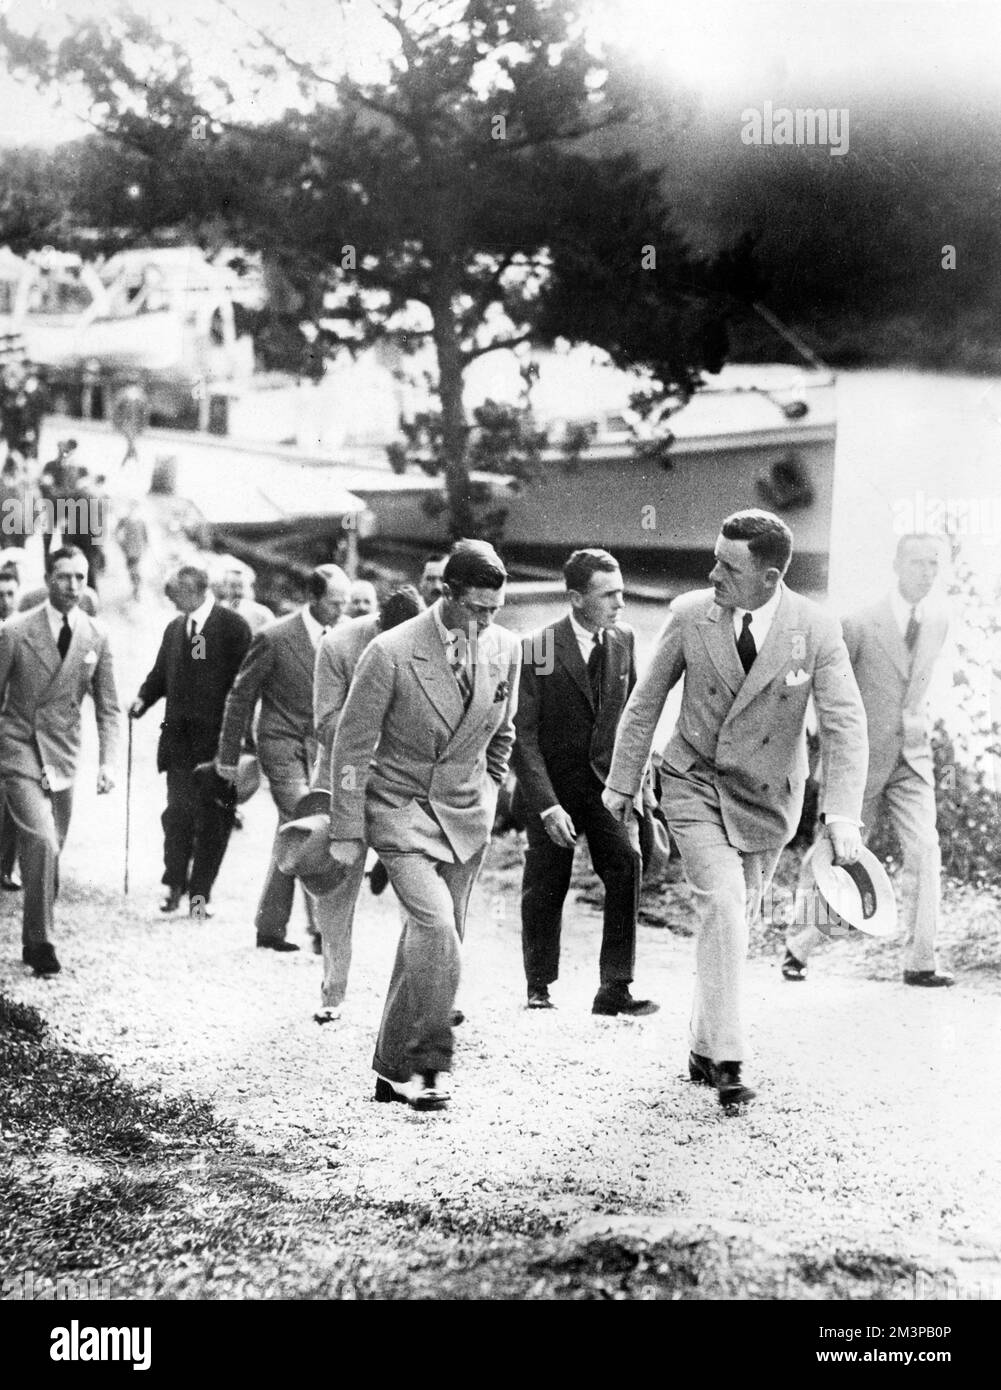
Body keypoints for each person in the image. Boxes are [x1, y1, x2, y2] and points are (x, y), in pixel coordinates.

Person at [602, 510, 868, 1107]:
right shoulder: (692, 614)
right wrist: (622, 781)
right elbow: (646, 701)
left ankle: (702, 1042)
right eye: (715, 557)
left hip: (769, 796)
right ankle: (729, 1056)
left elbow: (846, 724)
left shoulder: (817, 629)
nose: (712, 572)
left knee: (734, 919)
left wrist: (842, 815)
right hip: (694, 779)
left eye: (729, 565)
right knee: (723, 902)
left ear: (770, 577)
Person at [327, 540, 521, 1111]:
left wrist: (489, 786)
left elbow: (502, 730)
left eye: (497, 609)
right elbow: (351, 747)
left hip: (465, 817)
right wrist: (345, 829)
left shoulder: (505, 647)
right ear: (446, 594)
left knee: (429, 941)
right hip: (400, 811)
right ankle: (432, 1064)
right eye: (478, 608)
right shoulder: (391, 651)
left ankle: (389, 1069)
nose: (487, 620)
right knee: (438, 931)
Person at [784, 533, 953, 987]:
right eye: (918, 562)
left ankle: (920, 962)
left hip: (911, 760)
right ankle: (798, 948)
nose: (927, 572)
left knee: (925, 849)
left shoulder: (938, 621)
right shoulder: (858, 624)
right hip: (858, 764)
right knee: (834, 855)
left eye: (934, 564)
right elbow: (828, 693)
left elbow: (917, 688)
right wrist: (832, 754)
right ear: (896, 565)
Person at [512, 548, 655, 1016]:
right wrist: (547, 804)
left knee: (625, 863)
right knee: (547, 880)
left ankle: (614, 986)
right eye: (608, 594)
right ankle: (539, 983)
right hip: (553, 788)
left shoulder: (623, 639)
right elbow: (524, 733)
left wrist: (637, 783)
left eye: (621, 592)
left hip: (605, 786)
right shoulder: (541, 647)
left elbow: (632, 716)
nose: (619, 604)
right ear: (575, 598)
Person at [215, 564, 351, 952]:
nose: (340, 611)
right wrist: (229, 755)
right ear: (313, 598)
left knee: (292, 828)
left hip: (321, 748)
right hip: (280, 744)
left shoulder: (344, 636)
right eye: (334, 603)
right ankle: (322, 931)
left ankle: (269, 926)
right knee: (311, 823)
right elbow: (241, 696)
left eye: (344, 604)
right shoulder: (274, 637)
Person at [0, 546, 119, 975]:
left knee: (51, 851)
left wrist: (107, 763)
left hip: (63, 756)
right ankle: (40, 944)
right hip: (18, 746)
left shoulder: (97, 634)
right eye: (64, 577)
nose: (72, 586)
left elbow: (108, 707)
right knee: (43, 840)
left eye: (80, 578)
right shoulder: (15, 631)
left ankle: (37, 925)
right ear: (48, 579)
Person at [309, 584, 423, 1021]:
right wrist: (374, 736)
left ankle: (422, 992)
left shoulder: (430, 641)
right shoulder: (337, 645)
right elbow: (325, 723)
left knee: (417, 890)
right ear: (378, 625)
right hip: (344, 780)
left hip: (400, 785)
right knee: (337, 891)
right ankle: (332, 994)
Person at [129, 565, 252, 916]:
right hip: (179, 744)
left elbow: (242, 690)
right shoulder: (175, 628)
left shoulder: (232, 628)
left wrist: (237, 744)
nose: (168, 595)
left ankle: (200, 897)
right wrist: (142, 699)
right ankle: (173, 884)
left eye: (174, 590)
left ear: (197, 590)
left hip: (217, 747)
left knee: (213, 824)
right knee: (177, 815)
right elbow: (160, 675)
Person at [0, 562, 22, 890]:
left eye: (9, 593)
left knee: (14, 798)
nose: (4, 600)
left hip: (16, 727)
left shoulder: (26, 631)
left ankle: (7, 867)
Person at [215, 557, 274, 634]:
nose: (237, 592)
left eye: (241, 586)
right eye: (232, 586)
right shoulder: (217, 613)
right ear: (223, 587)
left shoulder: (261, 613)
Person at [114, 499, 149, 600]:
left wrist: (145, 548)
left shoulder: (141, 521)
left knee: (135, 569)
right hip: (128, 550)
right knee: (131, 569)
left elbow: (146, 537)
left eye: (135, 507)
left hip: (137, 550)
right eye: (131, 507)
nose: (133, 510)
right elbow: (116, 532)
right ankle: (136, 586)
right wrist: (121, 544)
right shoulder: (125, 520)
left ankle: (137, 588)